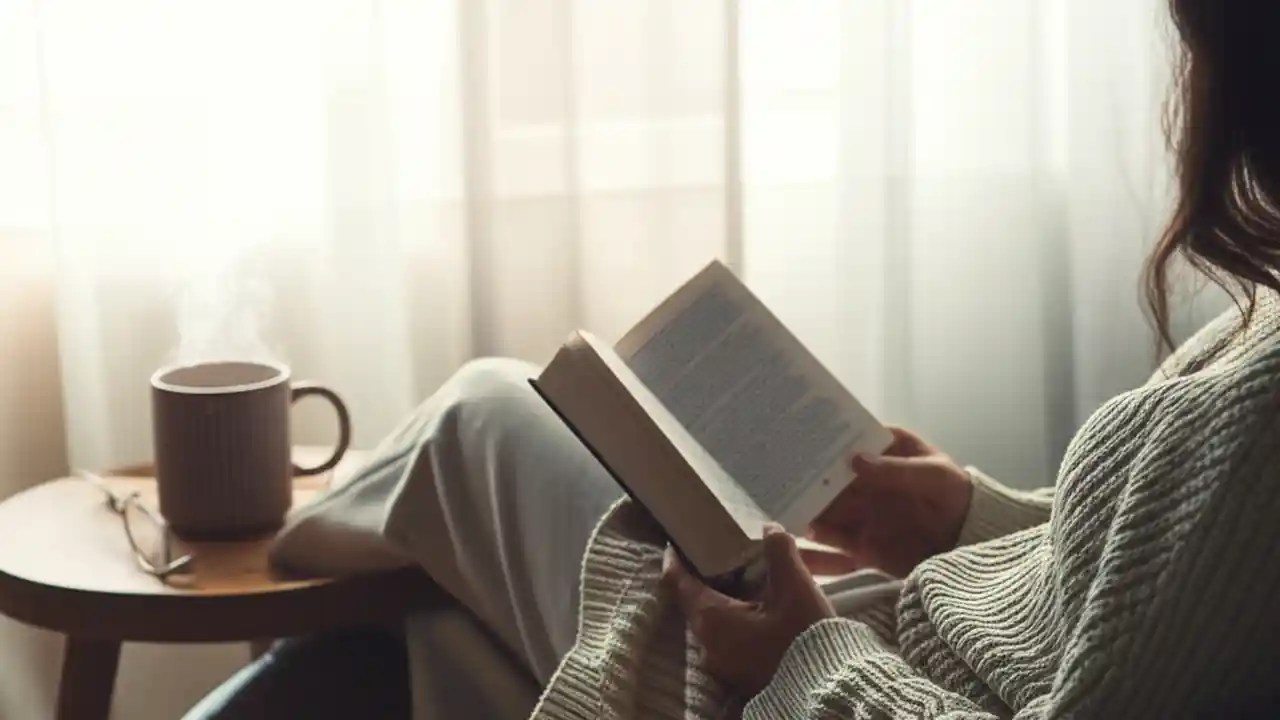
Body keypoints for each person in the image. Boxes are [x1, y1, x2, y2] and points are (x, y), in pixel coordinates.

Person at [197, 1, 1279, 717]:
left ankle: (253, 533)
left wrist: (801, 663)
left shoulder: (1261, 414)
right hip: (896, 638)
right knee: (451, 637)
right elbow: (1152, 598)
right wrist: (961, 517)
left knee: (476, 416)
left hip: (822, 688)